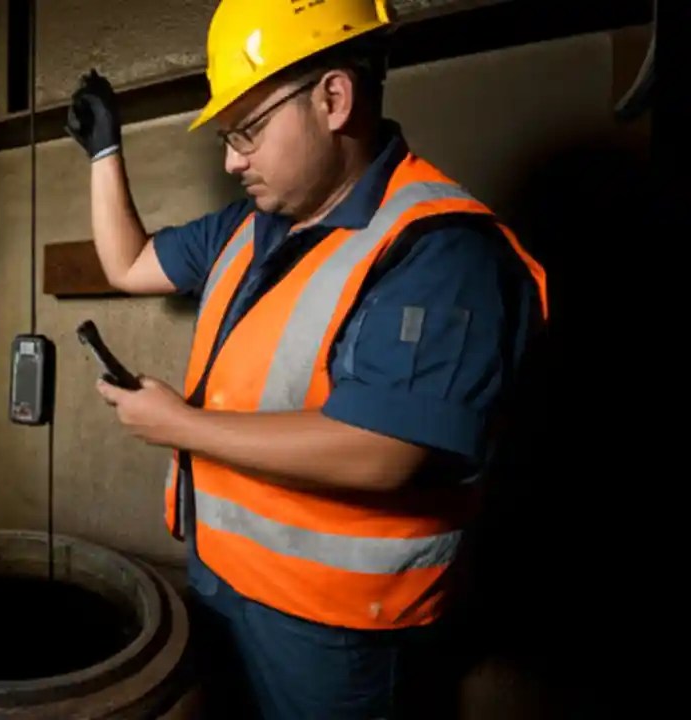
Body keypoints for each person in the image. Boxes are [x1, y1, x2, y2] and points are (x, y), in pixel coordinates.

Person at [65, 0, 549, 718]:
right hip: (222, 585)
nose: (232, 159)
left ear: (332, 98)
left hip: (337, 635)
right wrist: (105, 152)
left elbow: (383, 452)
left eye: (247, 131)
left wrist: (178, 425)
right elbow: (130, 262)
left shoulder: (441, 250)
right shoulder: (247, 227)